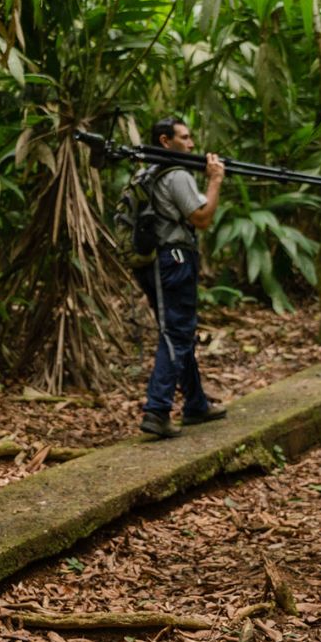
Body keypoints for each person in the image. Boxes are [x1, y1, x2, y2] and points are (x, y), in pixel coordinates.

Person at [134, 116, 226, 439]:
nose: (191, 145)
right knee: (177, 331)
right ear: (164, 141)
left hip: (155, 261)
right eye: (184, 138)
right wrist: (214, 181)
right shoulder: (176, 175)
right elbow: (201, 218)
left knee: (179, 329)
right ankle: (157, 410)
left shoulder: (147, 171)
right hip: (173, 258)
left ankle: (196, 405)